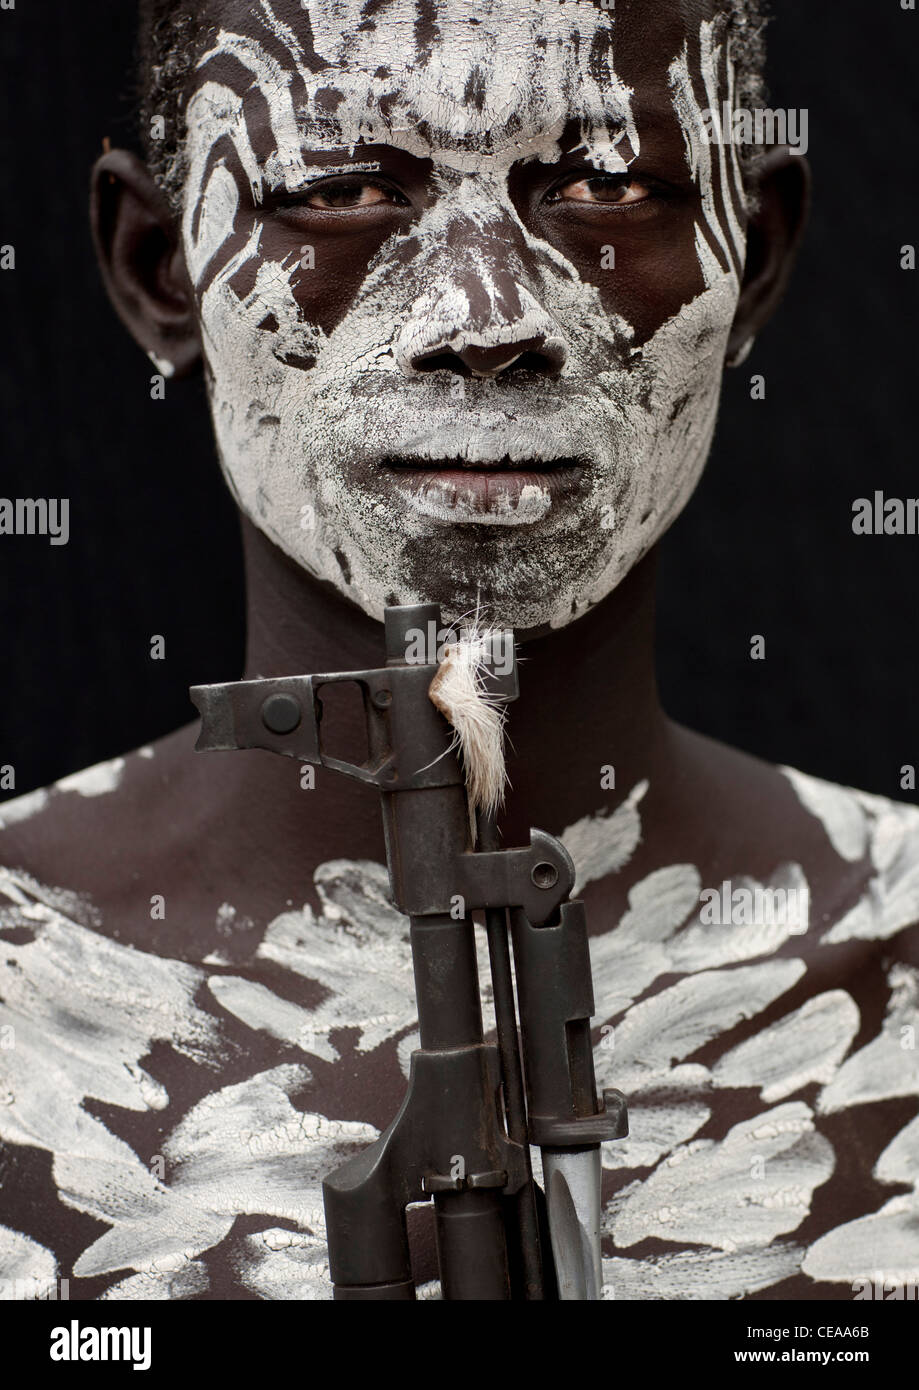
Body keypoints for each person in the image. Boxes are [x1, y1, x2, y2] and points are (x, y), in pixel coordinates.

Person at [1, 0, 916, 1302]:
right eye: (345, 188)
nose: (485, 317)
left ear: (749, 257)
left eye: (606, 185)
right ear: (161, 263)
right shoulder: (22, 1007)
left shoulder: (901, 974)